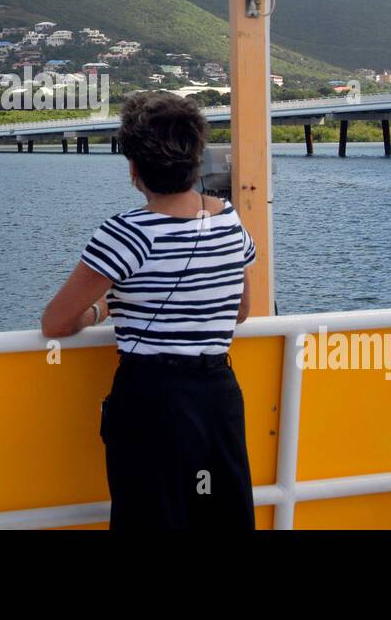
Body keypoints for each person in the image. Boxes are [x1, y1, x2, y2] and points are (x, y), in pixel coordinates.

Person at [40, 91, 257, 530]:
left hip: (153, 401)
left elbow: (56, 322)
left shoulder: (126, 233)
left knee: (149, 519)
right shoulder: (229, 221)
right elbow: (239, 312)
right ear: (196, 160)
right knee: (222, 518)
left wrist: (103, 311)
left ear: (134, 168)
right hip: (218, 395)